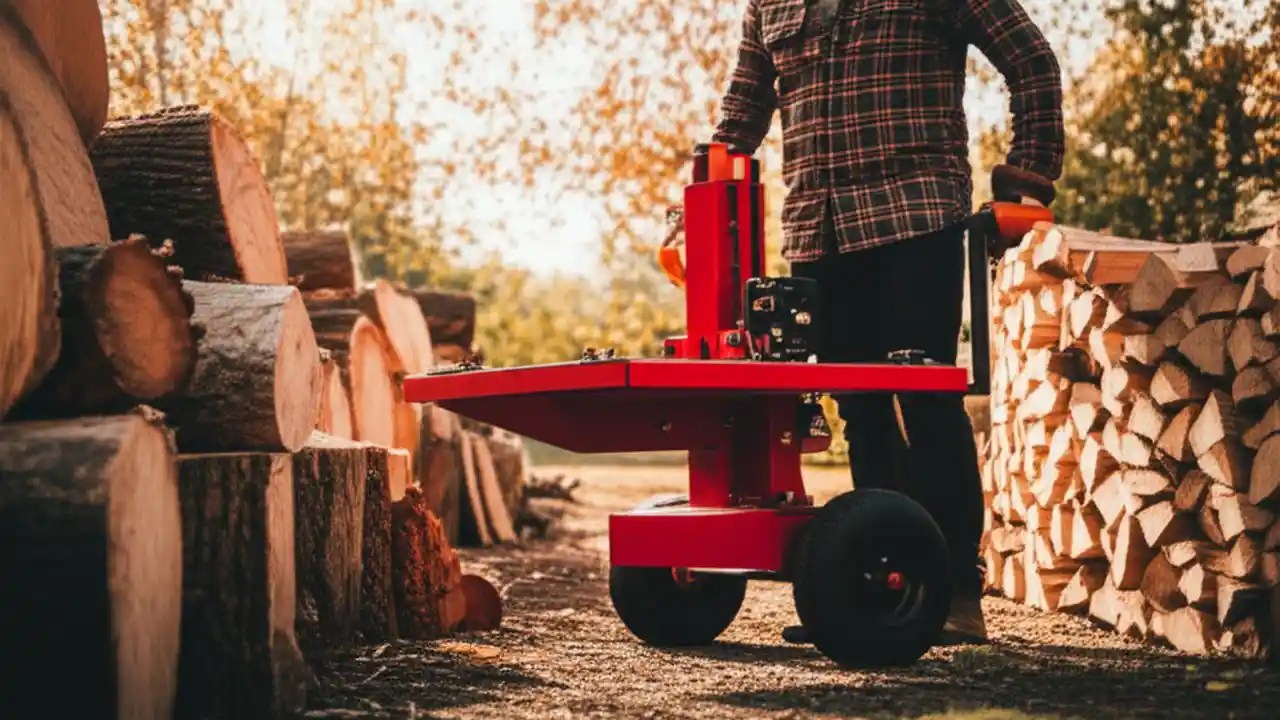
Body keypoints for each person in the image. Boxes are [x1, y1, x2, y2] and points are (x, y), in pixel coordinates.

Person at [710, 0, 1064, 644]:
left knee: (926, 400)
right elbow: (743, 106)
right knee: (859, 409)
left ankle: (954, 588)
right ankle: (871, 587)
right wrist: (699, 200)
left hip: (917, 215)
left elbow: (1031, 61)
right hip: (818, 230)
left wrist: (1030, 175)